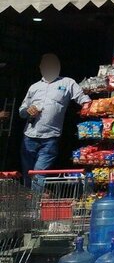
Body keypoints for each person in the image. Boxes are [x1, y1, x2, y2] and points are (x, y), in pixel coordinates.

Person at [19, 53, 90, 185]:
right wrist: (28, 111)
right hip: (29, 137)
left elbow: (83, 99)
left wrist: (92, 107)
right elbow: (22, 111)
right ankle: (28, 202)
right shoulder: (34, 87)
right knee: (28, 173)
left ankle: (34, 203)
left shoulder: (67, 83)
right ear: (40, 67)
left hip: (50, 138)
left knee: (38, 173)